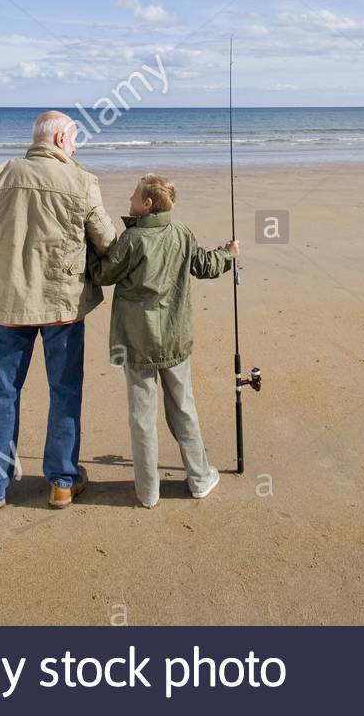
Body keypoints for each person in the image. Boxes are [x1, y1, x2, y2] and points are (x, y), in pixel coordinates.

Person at [0, 110, 116, 511]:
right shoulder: (83, 181)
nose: (76, 146)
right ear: (61, 139)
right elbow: (107, 242)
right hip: (63, 307)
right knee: (64, 391)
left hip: (11, 304)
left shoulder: (1, 173)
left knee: (3, 391)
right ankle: (62, 482)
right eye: (75, 139)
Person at [89, 172, 238, 508]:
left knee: (143, 417)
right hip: (174, 338)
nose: (129, 201)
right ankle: (199, 478)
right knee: (183, 409)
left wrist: (87, 247)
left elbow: (102, 274)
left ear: (147, 204)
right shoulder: (181, 232)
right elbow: (205, 264)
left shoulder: (132, 240)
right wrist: (228, 254)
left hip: (136, 341)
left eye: (133, 197)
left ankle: (148, 492)